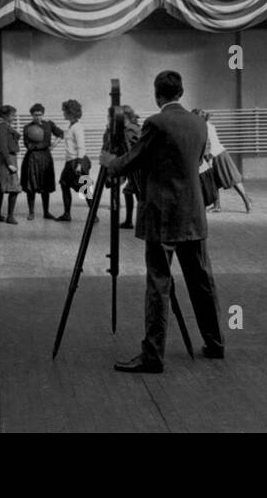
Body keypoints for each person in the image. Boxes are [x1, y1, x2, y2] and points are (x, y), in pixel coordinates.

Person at [102, 70, 225, 373]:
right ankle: (215, 343)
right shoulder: (200, 123)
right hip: (193, 215)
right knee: (201, 281)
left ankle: (153, 355)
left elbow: (134, 160)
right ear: (181, 92)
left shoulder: (155, 123)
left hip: (162, 216)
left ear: (158, 94)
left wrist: (110, 163)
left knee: (158, 284)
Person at [194, 109, 251, 213]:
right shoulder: (205, 125)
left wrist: (210, 159)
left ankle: (246, 200)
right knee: (214, 180)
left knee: (233, 179)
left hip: (218, 154)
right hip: (213, 155)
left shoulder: (205, 127)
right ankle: (217, 205)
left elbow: (210, 144)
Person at [20, 103, 62, 219]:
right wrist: (38, 145)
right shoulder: (27, 127)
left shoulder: (49, 125)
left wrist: (53, 145)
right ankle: (31, 212)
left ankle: (46, 212)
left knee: (45, 186)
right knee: (31, 186)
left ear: (43, 114)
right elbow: (27, 144)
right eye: (35, 115)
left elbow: (61, 133)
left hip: (45, 158)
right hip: (32, 158)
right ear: (32, 115)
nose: (38, 117)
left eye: (40, 114)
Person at [55, 99, 90, 222]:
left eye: (65, 111)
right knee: (65, 185)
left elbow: (81, 147)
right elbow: (64, 135)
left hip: (78, 162)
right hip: (70, 162)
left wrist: (79, 165)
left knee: (85, 189)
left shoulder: (77, 127)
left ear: (70, 112)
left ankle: (93, 215)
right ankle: (67, 214)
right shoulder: (70, 126)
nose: (63, 113)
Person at [0, 105, 21, 224]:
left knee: (0, 188)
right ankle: (9, 216)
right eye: (12, 115)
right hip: (6, 159)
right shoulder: (3, 128)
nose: (14, 117)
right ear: (5, 116)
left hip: (6, 158)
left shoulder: (6, 127)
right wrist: (9, 164)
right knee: (13, 188)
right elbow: (3, 147)